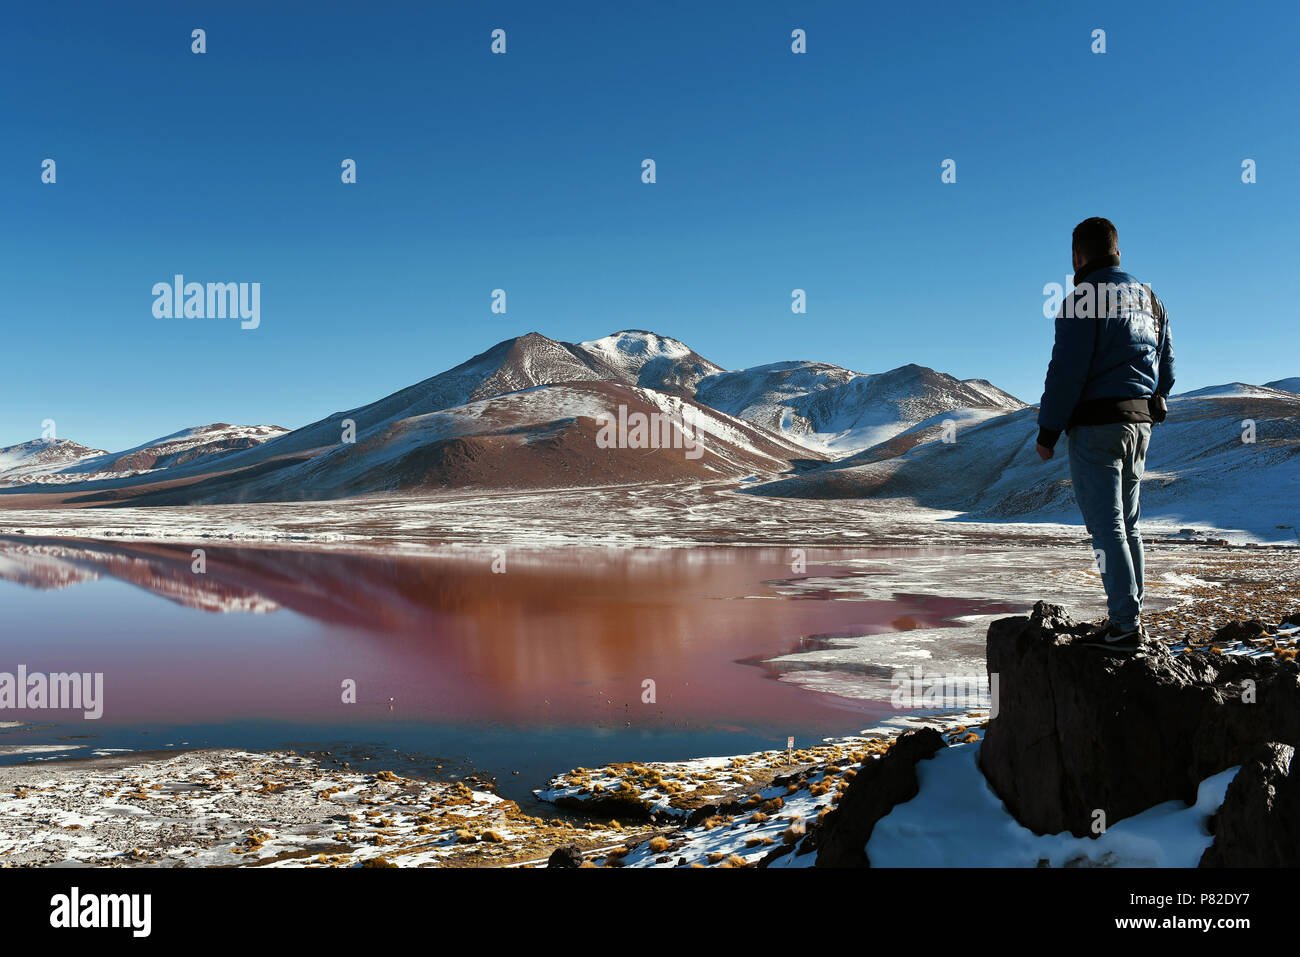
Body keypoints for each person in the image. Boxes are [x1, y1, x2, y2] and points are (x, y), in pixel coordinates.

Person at [1035, 217, 1175, 652]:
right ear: (1117, 250)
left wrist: (1048, 430)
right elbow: (1166, 362)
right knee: (1129, 524)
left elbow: (1067, 372)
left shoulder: (1082, 299)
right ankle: (1130, 619)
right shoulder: (1148, 296)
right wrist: (1154, 400)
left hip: (1097, 427)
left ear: (1078, 256)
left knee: (1107, 527)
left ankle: (1125, 627)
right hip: (1139, 424)